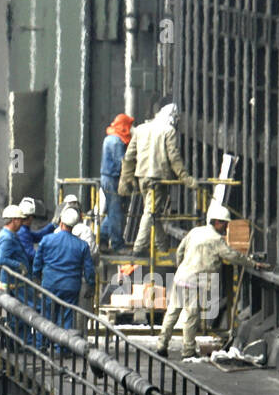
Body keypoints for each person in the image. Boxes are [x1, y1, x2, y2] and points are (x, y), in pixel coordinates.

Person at [156, 204, 267, 359]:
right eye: (225, 224)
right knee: (191, 317)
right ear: (217, 222)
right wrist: (252, 263)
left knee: (173, 312)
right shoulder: (216, 240)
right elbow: (232, 255)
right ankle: (188, 351)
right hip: (196, 281)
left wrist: (182, 267)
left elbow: (180, 251)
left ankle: (161, 345)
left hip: (181, 277)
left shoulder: (195, 232)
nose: (226, 228)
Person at [119, 102, 195, 255]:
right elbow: (174, 158)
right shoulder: (168, 131)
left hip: (142, 177)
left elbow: (129, 156)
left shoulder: (141, 129)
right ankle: (138, 248)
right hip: (158, 179)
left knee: (154, 212)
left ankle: (162, 247)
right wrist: (186, 178)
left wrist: (126, 178)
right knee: (150, 212)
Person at [33, 207, 95, 336]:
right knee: (66, 319)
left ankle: (42, 344)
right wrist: (90, 285)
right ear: (75, 225)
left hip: (49, 285)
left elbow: (37, 262)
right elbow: (89, 270)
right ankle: (61, 349)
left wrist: (36, 278)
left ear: (61, 222)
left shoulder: (47, 240)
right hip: (70, 287)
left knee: (46, 317)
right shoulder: (82, 245)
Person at [0, 204, 33, 348]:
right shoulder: (8, 238)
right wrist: (19, 265)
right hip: (16, 283)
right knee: (24, 311)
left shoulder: (5, 235)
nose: (22, 223)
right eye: (20, 220)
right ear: (14, 220)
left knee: (15, 312)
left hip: (12, 281)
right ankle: (23, 343)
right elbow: (0, 259)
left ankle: (15, 342)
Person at [100, 113, 133, 250]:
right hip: (113, 179)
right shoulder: (117, 142)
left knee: (112, 211)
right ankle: (117, 244)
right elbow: (121, 163)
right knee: (116, 212)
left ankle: (102, 237)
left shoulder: (110, 138)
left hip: (106, 178)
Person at [15, 197, 56, 265]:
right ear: (30, 217)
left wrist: (52, 225)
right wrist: (49, 257)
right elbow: (31, 254)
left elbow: (37, 236)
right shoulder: (22, 232)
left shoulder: (23, 229)